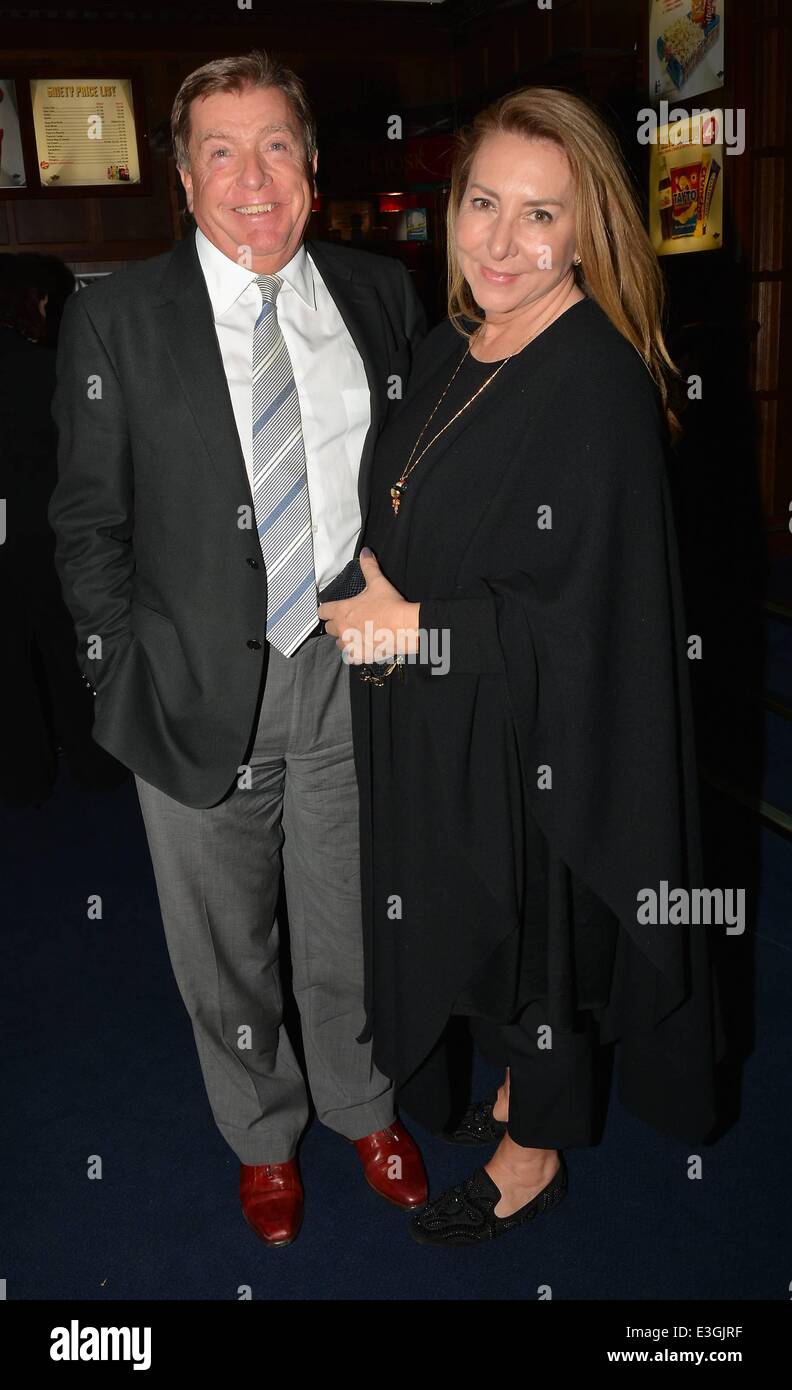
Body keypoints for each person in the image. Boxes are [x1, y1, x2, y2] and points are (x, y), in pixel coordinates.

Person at [320, 86, 726, 1246]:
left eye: (539, 215)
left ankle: (532, 1147)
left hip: (543, 743)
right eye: (483, 202)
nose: (501, 241)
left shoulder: (596, 383)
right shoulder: (455, 342)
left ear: (587, 229)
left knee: (541, 942)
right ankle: (506, 1084)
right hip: (451, 722)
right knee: (482, 928)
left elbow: (594, 628)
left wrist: (421, 630)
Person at [48, 49, 429, 1248]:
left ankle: (363, 1099)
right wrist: (120, 675)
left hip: (343, 662)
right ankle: (264, 1135)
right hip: (190, 675)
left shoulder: (376, 296)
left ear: (313, 166)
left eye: (275, 145)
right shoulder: (115, 316)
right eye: (221, 150)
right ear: (182, 176)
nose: (251, 178)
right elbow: (86, 524)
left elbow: (413, 485)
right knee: (221, 940)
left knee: (350, 909)